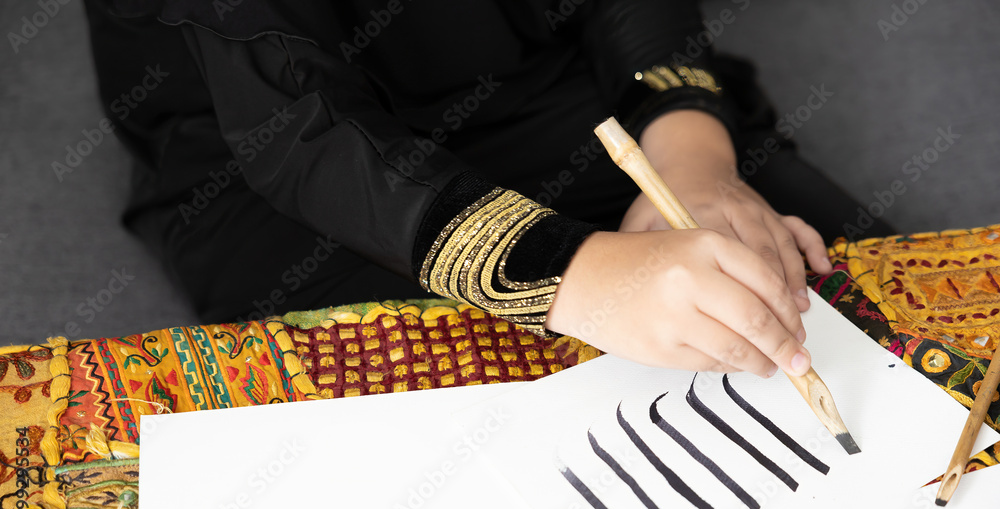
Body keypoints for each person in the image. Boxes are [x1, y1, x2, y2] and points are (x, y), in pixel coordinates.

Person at [83, 0, 894, 378]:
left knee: (855, 312)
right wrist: (581, 277)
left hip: (542, 83)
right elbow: (303, 128)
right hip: (287, 160)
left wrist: (690, 156)